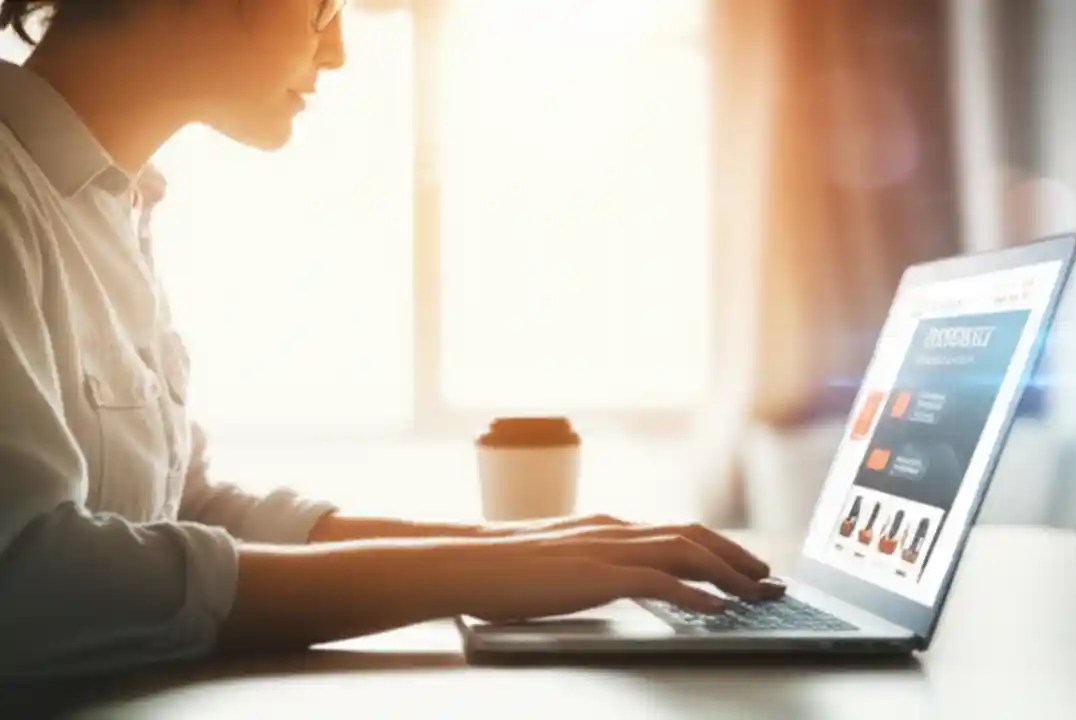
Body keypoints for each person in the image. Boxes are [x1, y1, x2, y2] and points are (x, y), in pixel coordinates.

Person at [0, 0, 782, 678]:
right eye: (322, 6)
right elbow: (28, 578)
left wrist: (526, 548)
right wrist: (471, 573)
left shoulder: (110, 204)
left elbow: (187, 511)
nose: (336, 51)